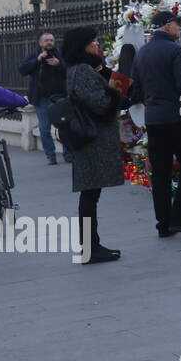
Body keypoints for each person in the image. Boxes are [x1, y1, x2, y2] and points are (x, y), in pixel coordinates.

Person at [130, 10, 181, 237]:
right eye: (177, 24)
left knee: (161, 172)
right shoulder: (175, 50)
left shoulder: (142, 52)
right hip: (177, 118)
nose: (179, 28)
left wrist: (152, 105)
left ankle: (163, 223)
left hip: (153, 119)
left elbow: (137, 89)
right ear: (166, 25)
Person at [62, 26, 129, 264]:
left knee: (91, 194)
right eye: (93, 42)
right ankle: (90, 247)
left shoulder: (80, 69)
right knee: (90, 195)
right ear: (83, 46)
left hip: (89, 138)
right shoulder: (82, 70)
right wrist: (113, 93)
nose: (96, 45)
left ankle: (92, 244)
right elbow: (100, 104)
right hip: (92, 140)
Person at [18, 32, 70, 165]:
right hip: (42, 98)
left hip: (59, 96)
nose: (49, 43)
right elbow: (22, 70)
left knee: (64, 126)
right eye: (46, 40)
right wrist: (38, 59)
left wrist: (58, 64)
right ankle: (50, 155)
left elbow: (69, 72)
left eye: (51, 40)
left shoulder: (60, 55)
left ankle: (68, 154)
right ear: (40, 43)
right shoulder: (35, 55)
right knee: (44, 128)